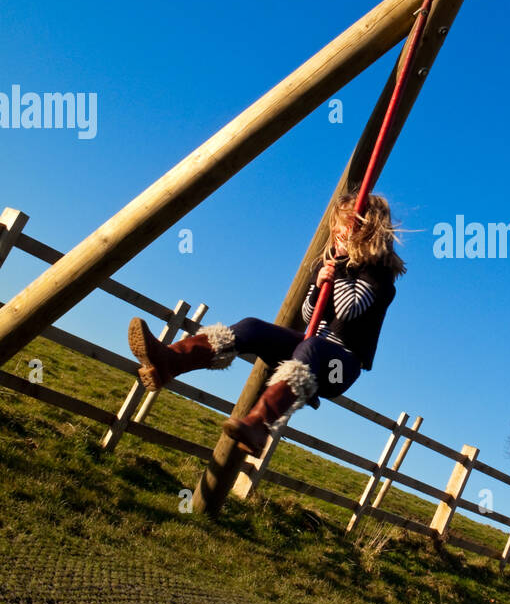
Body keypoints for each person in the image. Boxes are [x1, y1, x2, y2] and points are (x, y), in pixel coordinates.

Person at [127, 192, 405, 454]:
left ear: (367, 231)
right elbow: (310, 316)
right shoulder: (330, 265)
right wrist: (320, 284)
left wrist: (341, 271)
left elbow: (348, 309)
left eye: (345, 227)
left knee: (315, 348)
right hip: (310, 349)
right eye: (337, 228)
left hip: (338, 366)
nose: (337, 234)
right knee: (251, 327)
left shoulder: (378, 274)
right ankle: (169, 362)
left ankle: (259, 425)